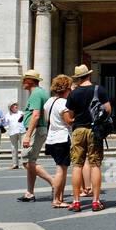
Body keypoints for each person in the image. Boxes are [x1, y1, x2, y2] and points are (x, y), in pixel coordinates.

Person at [65, 64, 112, 211]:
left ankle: (77, 201)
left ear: (77, 78)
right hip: (94, 129)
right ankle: (96, 201)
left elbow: (69, 116)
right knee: (95, 164)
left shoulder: (74, 93)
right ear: (89, 75)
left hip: (78, 130)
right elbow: (108, 110)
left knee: (77, 165)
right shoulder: (99, 89)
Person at [17, 70, 55, 202]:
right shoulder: (42, 93)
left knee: (26, 161)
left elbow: (36, 115)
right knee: (31, 161)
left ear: (30, 81)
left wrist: (27, 135)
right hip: (40, 129)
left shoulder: (35, 94)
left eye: (25, 80)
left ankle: (54, 182)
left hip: (35, 130)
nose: (22, 82)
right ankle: (29, 192)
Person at [43, 74, 74, 208]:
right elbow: (69, 121)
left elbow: (47, 120)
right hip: (62, 138)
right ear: (66, 88)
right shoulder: (63, 103)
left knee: (60, 168)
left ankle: (60, 197)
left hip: (51, 138)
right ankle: (56, 199)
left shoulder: (49, 102)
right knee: (61, 170)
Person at [4, 102, 24, 170]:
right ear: (10, 108)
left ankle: (24, 163)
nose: (15, 106)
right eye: (14, 105)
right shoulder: (7, 115)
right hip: (12, 132)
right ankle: (15, 164)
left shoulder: (21, 113)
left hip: (22, 132)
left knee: (23, 148)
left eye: (16, 105)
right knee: (14, 149)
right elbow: (5, 124)